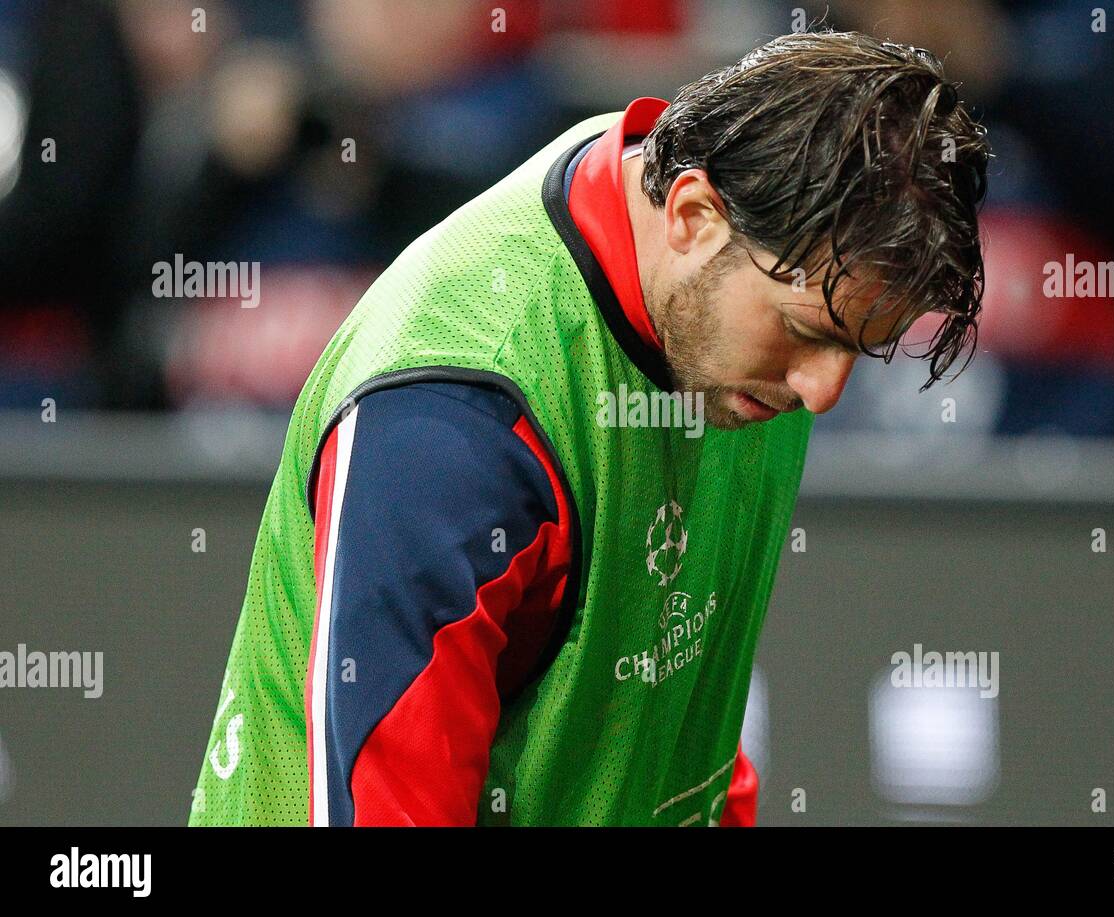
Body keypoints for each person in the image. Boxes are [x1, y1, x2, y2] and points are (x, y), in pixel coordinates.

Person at [189, 29, 990, 826]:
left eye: (860, 346)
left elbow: (685, 741)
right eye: (808, 331)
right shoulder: (449, 419)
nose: (823, 390)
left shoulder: (739, 288)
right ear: (692, 215)